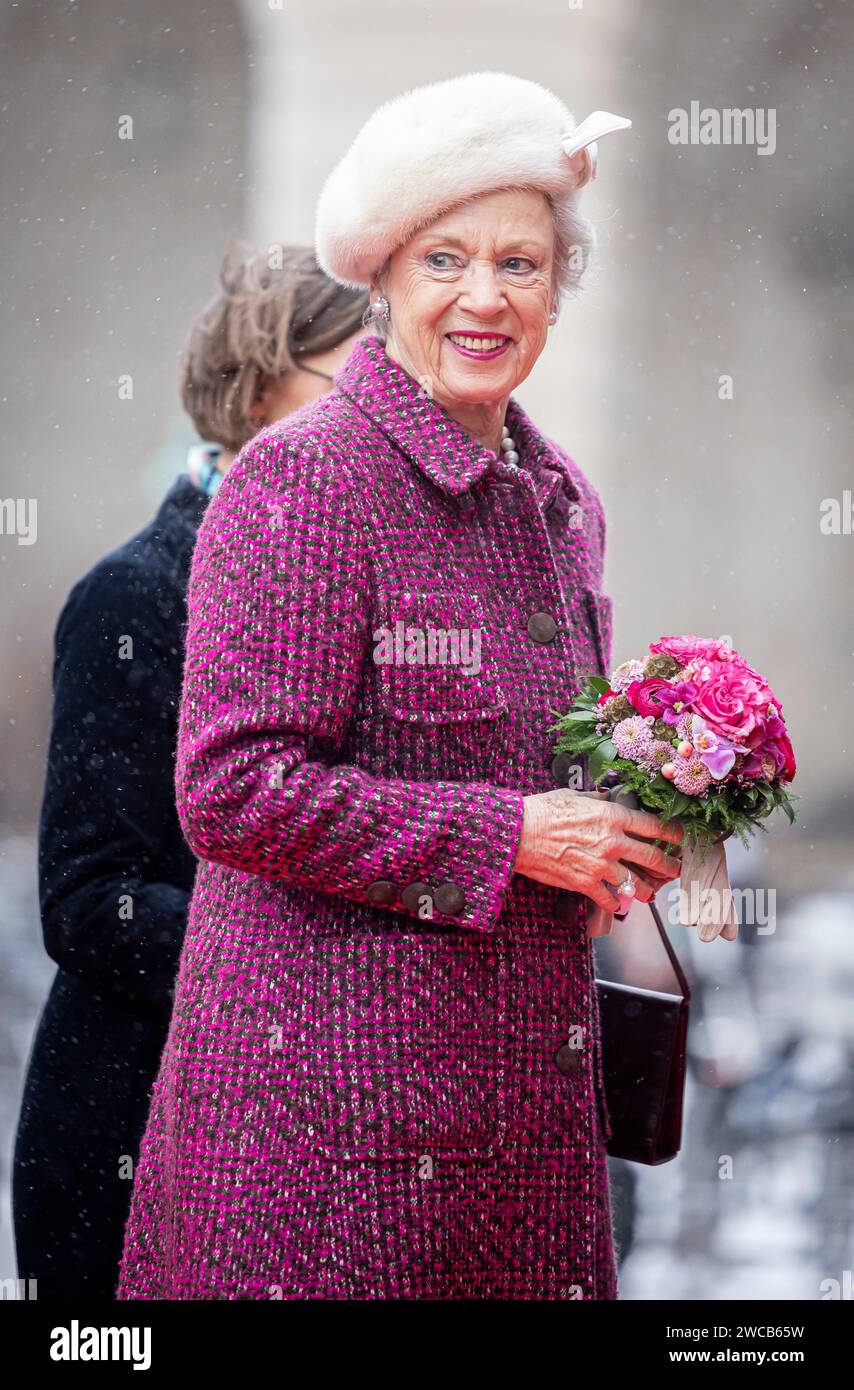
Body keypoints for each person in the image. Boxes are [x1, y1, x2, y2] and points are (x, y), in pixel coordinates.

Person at [116, 72, 683, 1303]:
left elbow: (538, 769)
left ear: (556, 288)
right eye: (445, 259)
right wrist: (511, 834)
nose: (484, 298)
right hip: (331, 1138)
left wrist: (637, 811)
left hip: (520, 1123)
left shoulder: (561, 496)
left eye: (521, 265)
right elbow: (234, 788)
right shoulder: (302, 483)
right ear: (381, 280)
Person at [12, 244, 367, 1298]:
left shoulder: (376, 586)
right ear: (256, 389)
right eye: (347, 386)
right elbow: (90, 903)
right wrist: (330, 977)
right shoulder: (135, 598)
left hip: (325, 1152)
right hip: (136, 1133)